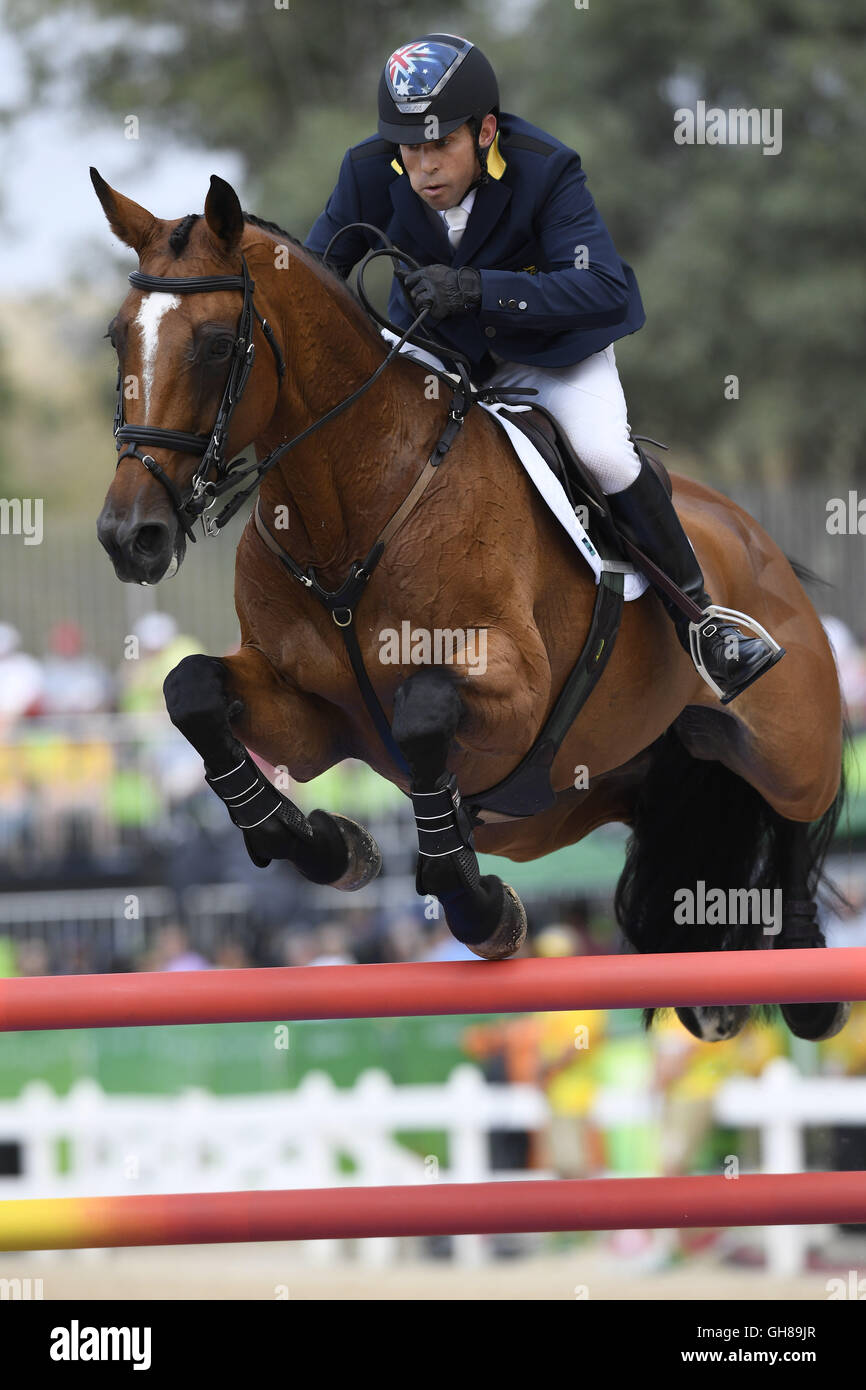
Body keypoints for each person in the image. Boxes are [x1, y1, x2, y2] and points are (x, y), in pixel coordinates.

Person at [306, 33, 782, 704]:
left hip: (551, 355)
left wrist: (477, 289)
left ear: (487, 130)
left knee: (603, 454)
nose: (424, 168)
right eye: (410, 149)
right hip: (435, 359)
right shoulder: (366, 170)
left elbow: (602, 289)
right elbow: (314, 274)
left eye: (441, 144)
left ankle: (701, 621)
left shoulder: (545, 168)